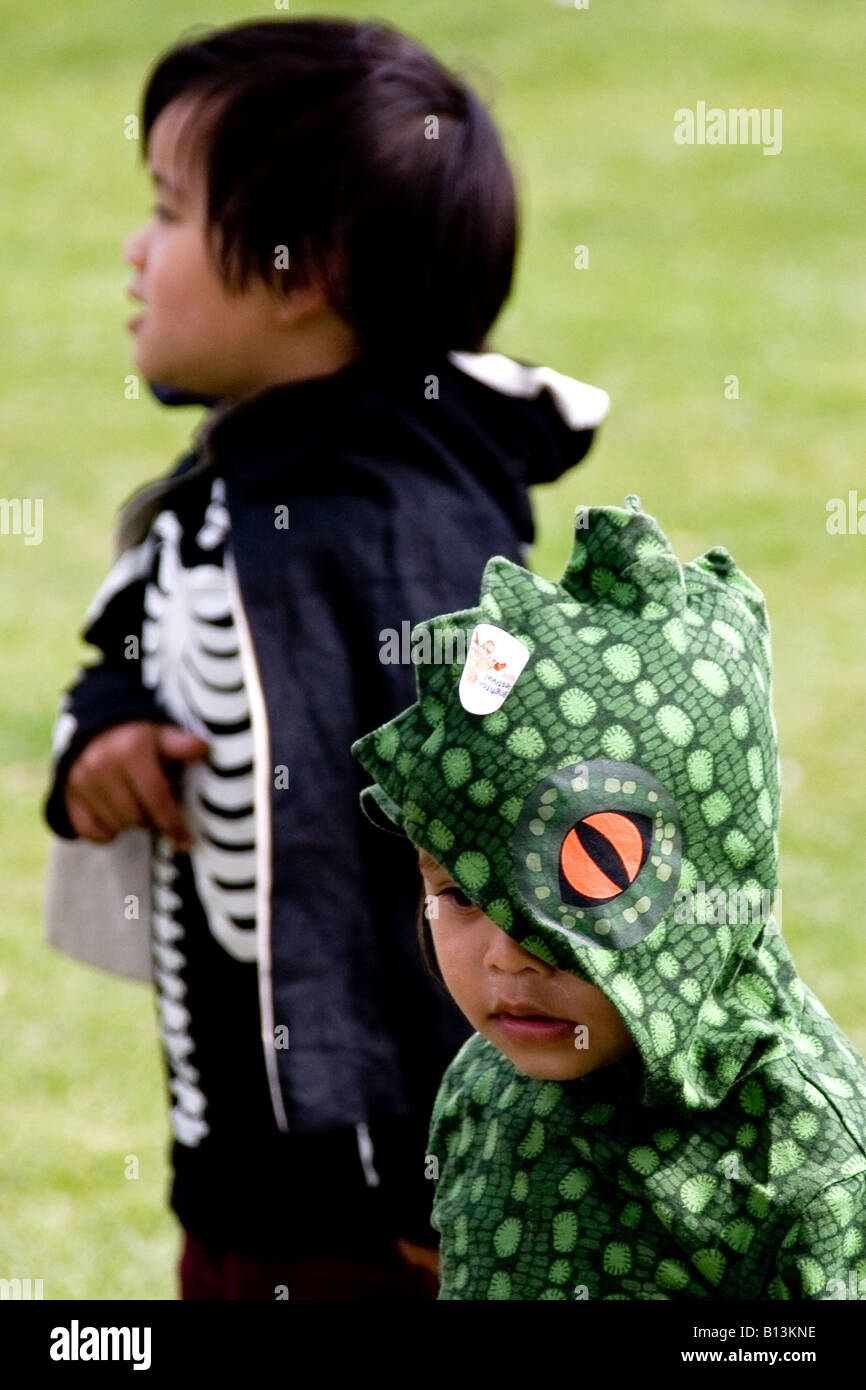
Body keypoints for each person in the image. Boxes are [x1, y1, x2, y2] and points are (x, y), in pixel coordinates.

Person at [41, 17, 610, 1300]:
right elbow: (128, 632)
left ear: (299, 275)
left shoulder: (413, 540)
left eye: (170, 212)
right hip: (242, 1152)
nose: (136, 250)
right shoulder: (233, 484)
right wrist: (110, 726)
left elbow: (491, 859)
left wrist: (449, 1164)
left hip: (388, 1199)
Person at [352, 493, 866, 1300]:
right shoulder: (486, 1083)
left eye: (573, 897)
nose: (507, 954)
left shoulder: (807, 1159)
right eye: (459, 894)